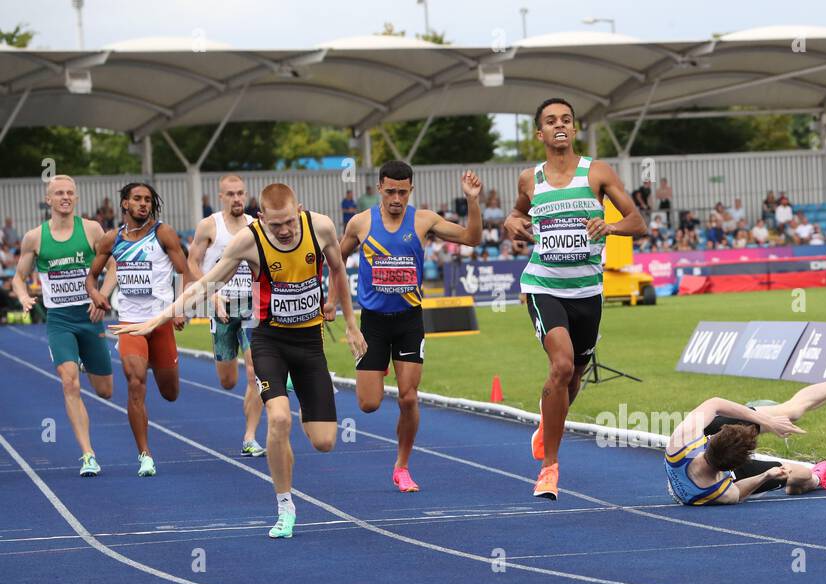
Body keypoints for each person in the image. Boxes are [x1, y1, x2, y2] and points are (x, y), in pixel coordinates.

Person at [113, 183, 366, 538]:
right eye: (275, 224)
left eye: (290, 221)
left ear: (301, 210)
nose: (284, 230)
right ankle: (285, 506)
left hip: (310, 345)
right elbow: (205, 284)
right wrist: (161, 317)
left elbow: (338, 269)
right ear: (261, 219)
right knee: (278, 420)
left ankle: (291, 417)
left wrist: (350, 324)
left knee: (324, 441)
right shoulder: (248, 241)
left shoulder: (320, 226)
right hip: (269, 342)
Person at [503, 97, 646, 500]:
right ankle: (549, 468)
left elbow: (639, 222)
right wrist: (513, 224)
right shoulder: (530, 179)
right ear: (540, 133)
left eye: (566, 119)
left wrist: (611, 226)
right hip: (543, 285)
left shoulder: (596, 172)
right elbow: (516, 215)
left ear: (575, 128)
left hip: (588, 291)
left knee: (576, 375)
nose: (559, 125)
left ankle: (546, 426)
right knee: (561, 365)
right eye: (551, 121)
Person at [336, 159, 483, 492]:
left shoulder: (423, 220)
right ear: (379, 190)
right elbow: (336, 259)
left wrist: (472, 200)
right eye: (390, 192)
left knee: (408, 399)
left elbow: (471, 238)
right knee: (368, 404)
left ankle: (402, 466)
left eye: (402, 192)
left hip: (408, 321)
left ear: (411, 190)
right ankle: (378, 367)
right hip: (372, 323)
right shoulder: (361, 223)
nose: (396, 199)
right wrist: (333, 301)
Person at [87, 182, 196, 477]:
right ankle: (145, 455)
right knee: (135, 382)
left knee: (170, 393)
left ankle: (158, 361)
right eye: (137, 199)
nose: (143, 204)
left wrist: (180, 309)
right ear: (124, 204)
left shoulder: (163, 233)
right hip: (130, 324)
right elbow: (92, 277)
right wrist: (96, 294)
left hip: (160, 322)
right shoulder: (111, 240)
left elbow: (185, 271)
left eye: (147, 200)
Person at [664, 371, 826, 506]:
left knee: (792, 412)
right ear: (737, 465)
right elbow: (737, 494)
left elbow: (714, 403)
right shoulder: (721, 493)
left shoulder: (680, 443)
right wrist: (767, 475)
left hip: (711, 461)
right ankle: (814, 481)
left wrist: (766, 421)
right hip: (717, 473)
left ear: (711, 437)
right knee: (802, 475)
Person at [12, 175, 114, 476]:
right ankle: (88, 454)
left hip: (89, 317)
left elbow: (114, 267)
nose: (65, 197)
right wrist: (22, 296)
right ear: (49, 200)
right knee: (69, 382)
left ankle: (83, 361)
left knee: (105, 391)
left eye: (70, 193)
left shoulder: (92, 229)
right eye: (59, 193)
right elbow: (19, 276)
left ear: (76, 198)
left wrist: (101, 297)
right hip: (59, 320)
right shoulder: (35, 237)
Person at [187, 173, 266, 457]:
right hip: (220, 308)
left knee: (255, 371)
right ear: (221, 196)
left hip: (251, 305)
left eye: (240, 193)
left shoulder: (256, 226)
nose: (237, 199)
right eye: (231, 194)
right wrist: (212, 293)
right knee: (228, 380)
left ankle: (250, 437)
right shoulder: (209, 226)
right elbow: (192, 263)